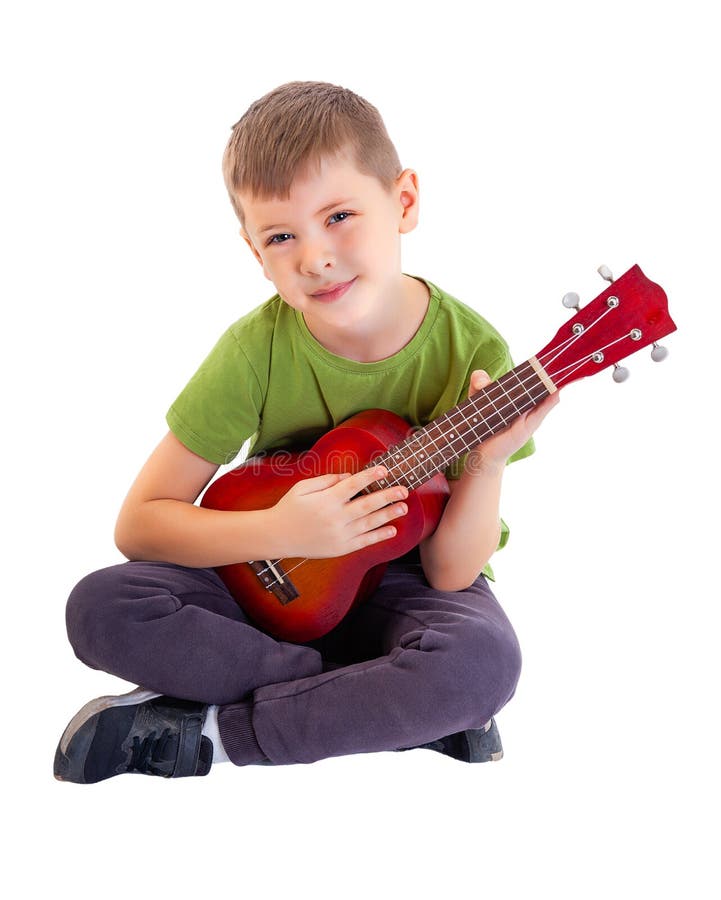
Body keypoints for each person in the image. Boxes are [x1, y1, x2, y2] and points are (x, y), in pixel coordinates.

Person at [54, 81, 558, 784]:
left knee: (479, 664)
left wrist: (487, 464)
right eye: (281, 236)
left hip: (401, 586)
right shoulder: (254, 348)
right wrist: (287, 535)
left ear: (403, 202)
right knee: (104, 608)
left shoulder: (472, 350)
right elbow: (141, 525)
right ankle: (374, 702)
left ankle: (214, 736)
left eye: (340, 216)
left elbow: (450, 573)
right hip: (266, 578)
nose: (313, 257)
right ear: (253, 250)